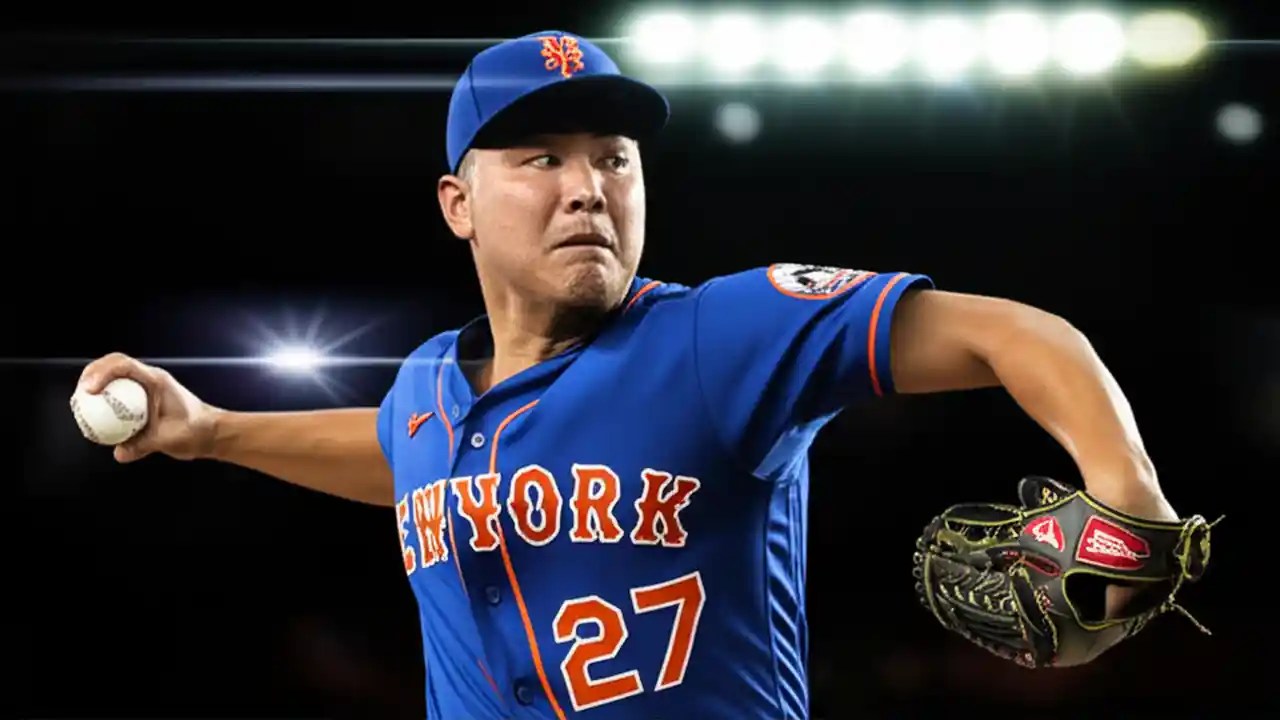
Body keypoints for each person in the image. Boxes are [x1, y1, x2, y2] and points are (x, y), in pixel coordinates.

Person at [77, 31, 1181, 720]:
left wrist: (1126, 493)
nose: (586, 187)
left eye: (612, 158)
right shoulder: (425, 389)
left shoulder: (719, 336)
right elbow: (402, 455)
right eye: (540, 158)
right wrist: (210, 429)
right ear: (458, 204)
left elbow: (1020, 336)